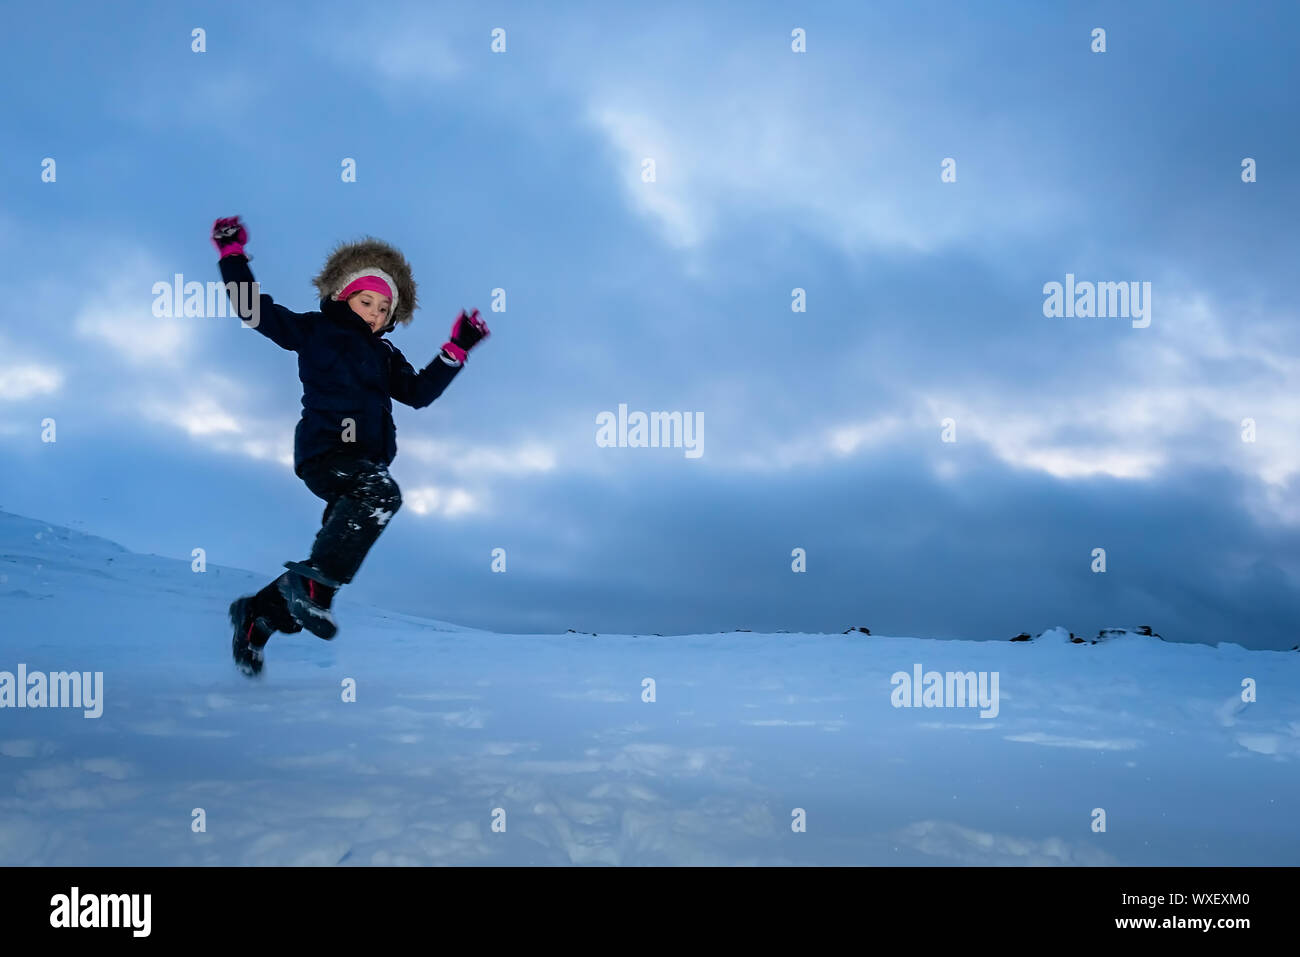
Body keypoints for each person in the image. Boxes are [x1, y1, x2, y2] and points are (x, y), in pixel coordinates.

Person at [211, 215, 490, 676]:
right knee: (381, 497)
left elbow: (418, 394)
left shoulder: (386, 355)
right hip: (327, 453)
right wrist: (232, 255)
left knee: (328, 567)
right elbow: (252, 311)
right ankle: (311, 591)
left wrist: (455, 349)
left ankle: (257, 618)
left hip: (365, 465)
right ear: (343, 296)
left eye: (385, 310)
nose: (377, 315)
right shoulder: (316, 330)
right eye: (367, 302)